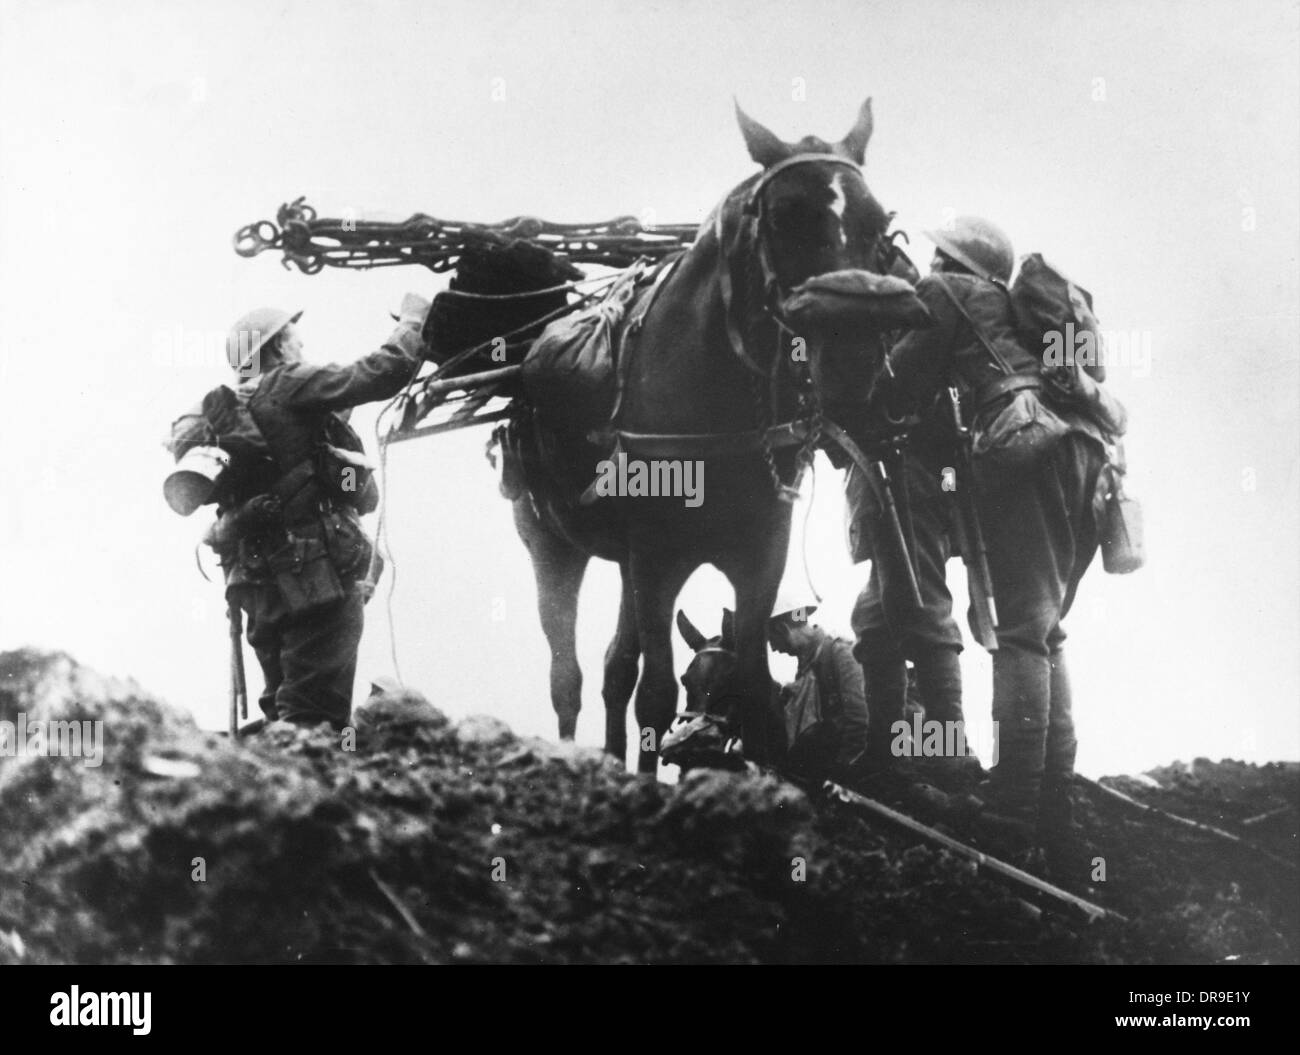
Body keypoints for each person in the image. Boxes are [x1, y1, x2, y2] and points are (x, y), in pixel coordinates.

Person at [865, 216, 1107, 850]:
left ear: (951, 260)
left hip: (1030, 448)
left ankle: (1011, 813)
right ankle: (1053, 807)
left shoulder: (946, 293)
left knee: (1022, 634)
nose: (932, 266)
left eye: (939, 257)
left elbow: (899, 381)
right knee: (1047, 632)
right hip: (1083, 454)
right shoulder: (1007, 308)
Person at [167, 296, 429, 731]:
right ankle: (308, 792)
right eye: (298, 345)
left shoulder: (234, 412)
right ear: (277, 350)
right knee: (314, 722)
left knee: (284, 709)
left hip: (261, 589)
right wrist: (413, 321)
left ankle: (280, 782)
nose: (303, 354)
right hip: (317, 581)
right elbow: (381, 373)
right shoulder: (287, 384)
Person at [766, 595, 869, 782]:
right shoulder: (806, 666)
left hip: (847, 772)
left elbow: (859, 719)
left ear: (782, 629)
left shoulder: (839, 652)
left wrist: (841, 774)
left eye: (771, 640)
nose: (773, 648)